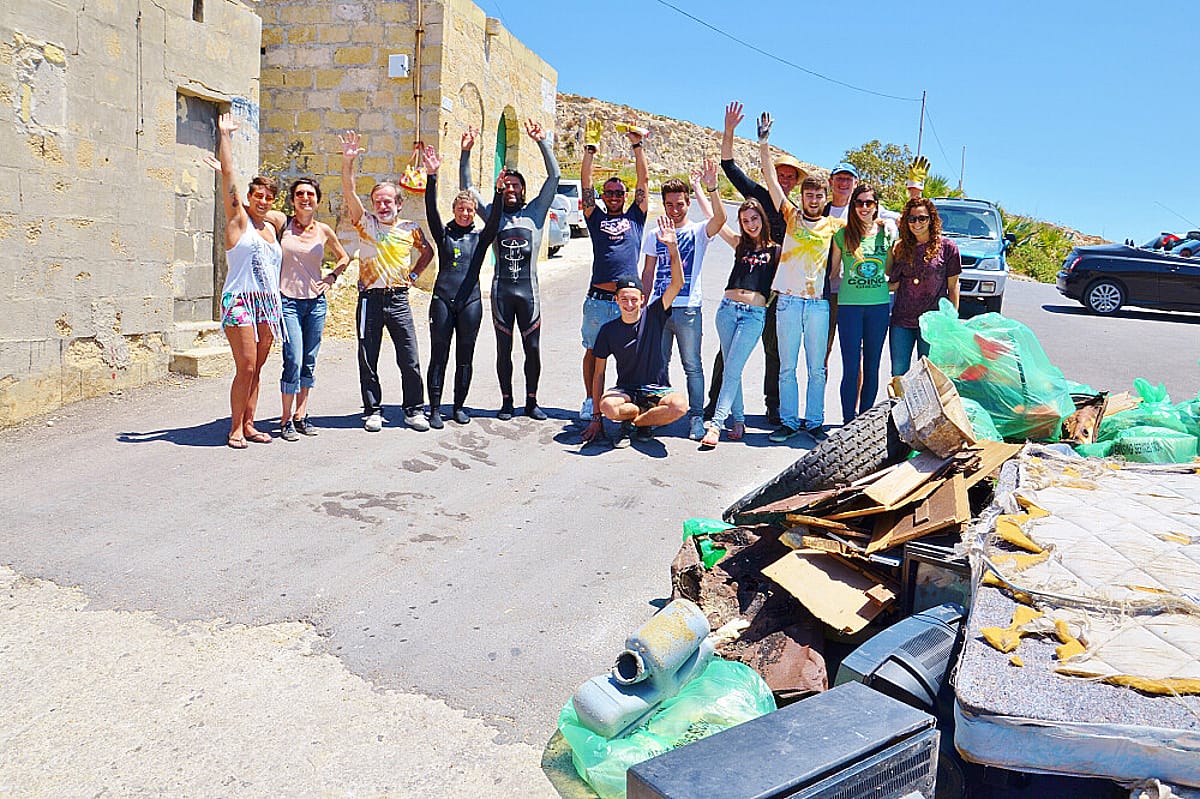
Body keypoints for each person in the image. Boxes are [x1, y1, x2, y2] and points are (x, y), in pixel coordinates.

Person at [707, 100, 807, 427]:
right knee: (728, 352)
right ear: (771, 173)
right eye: (781, 174)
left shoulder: (797, 211)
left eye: (791, 177)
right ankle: (714, 403)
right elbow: (728, 165)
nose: (786, 180)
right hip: (749, 287)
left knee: (775, 353)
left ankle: (774, 407)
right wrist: (731, 131)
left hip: (779, 293)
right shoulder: (759, 196)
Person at [460, 119, 561, 421]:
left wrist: (542, 141)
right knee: (504, 350)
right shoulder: (493, 214)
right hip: (502, 294)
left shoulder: (536, 213)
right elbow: (467, 188)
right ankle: (507, 401)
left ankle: (531, 401)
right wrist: (466, 152)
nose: (512, 190)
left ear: (524, 190)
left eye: (517, 186)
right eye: (507, 186)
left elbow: (555, 176)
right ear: (502, 189)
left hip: (529, 294)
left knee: (532, 348)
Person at [757, 112, 845, 444]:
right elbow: (770, 179)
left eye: (818, 195)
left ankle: (815, 422)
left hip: (818, 305)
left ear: (825, 200)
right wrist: (764, 143)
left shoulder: (834, 227)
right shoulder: (791, 217)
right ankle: (789, 422)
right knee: (786, 367)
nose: (812, 199)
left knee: (816, 369)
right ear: (803, 197)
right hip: (788, 303)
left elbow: (866, 224)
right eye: (807, 194)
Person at [340, 130, 434, 433]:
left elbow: (428, 251)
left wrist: (415, 274)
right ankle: (373, 410)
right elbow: (348, 191)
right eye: (378, 201)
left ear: (399, 203)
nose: (382, 206)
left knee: (409, 357)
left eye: (388, 201)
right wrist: (348, 162)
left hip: (399, 300)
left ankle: (413, 410)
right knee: (368, 357)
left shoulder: (410, 228)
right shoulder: (364, 222)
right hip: (370, 299)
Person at [206, 112, 285, 450]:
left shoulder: (273, 226)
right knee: (246, 364)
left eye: (269, 197)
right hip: (239, 299)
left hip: (267, 302)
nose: (263, 201)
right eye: (258, 196)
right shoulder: (239, 221)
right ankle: (235, 427)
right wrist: (225, 137)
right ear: (250, 197)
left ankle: (250, 423)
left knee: (258, 368)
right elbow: (228, 178)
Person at [582, 217, 688, 448]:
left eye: (633, 299)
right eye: (624, 299)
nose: (629, 304)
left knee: (679, 406)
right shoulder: (608, 330)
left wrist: (672, 247)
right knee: (609, 406)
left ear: (642, 299)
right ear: (617, 301)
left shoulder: (655, 314)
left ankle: (638, 423)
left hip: (657, 390)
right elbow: (599, 374)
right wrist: (596, 417)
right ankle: (638, 418)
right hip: (627, 391)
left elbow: (677, 284)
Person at [639, 161, 725, 441]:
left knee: (692, 365)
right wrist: (642, 304)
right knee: (658, 364)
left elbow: (720, 220)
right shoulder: (654, 234)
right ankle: (658, 414)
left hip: (688, 308)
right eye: (669, 205)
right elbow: (649, 271)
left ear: (689, 203)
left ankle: (696, 418)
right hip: (659, 310)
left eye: (679, 204)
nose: (674, 210)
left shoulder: (699, 232)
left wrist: (711, 187)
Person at [421, 144, 504, 428]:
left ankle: (458, 406)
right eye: (460, 209)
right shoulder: (443, 233)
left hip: (471, 303)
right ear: (454, 209)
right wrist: (432, 177)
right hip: (443, 300)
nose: (465, 214)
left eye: (469, 210)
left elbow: (494, 222)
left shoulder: (481, 238)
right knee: (439, 354)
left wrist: (499, 193)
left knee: (465, 357)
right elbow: (430, 210)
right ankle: (433, 408)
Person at [578, 118, 649, 422]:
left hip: (626, 302)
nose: (615, 197)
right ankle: (589, 401)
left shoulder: (636, 217)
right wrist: (591, 152)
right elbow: (584, 184)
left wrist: (637, 147)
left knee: (630, 355)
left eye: (619, 193)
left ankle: (626, 403)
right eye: (610, 193)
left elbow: (644, 184)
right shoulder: (595, 217)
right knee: (594, 353)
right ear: (604, 196)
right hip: (597, 300)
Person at [700, 198, 780, 448]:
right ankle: (739, 420)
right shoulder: (739, 245)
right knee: (731, 368)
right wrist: (703, 189)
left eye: (754, 219)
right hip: (726, 311)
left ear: (762, 219)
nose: (750, 225)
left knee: (732, 369)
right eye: (745, 221)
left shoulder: (776, 250)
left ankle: (716, 424)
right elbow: (715, 217)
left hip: (753, 315)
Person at [276, 177, 350, 441]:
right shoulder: (282, 225)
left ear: (317, 200)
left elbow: (344, 257)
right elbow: (255, 208)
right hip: (288, 302)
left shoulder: (324, 230)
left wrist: (331, 278)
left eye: (310, 194)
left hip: (316, 303)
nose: (305, 198)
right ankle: (285, 420)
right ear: (293, 199)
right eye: (299, 194)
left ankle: (301, 415)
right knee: (293, 358)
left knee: (309, 360)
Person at [830, 183, 893, 423]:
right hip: (849, 308)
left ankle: (864, 420)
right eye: (859, 203)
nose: (864, 207)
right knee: (851, 366)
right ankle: (848, 421)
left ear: (876, 206)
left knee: (872, 366)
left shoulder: (885, 234)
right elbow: (833, 272)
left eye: (869, 203)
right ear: (853, 205)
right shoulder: (842, 235)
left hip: (878, 307)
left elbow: (889, 269)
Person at [888, 197, 961, 376]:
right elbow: (893, 282)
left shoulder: (947, 248)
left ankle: (926, 406)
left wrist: (951, 322)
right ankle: (899, 404)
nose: (917, 223)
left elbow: (953, 287)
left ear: (931, 219)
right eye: (912, 219)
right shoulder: (900, 248)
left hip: (932, 323)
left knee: (929, 374)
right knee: (899, 373)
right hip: (901, 321)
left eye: (922, 218)